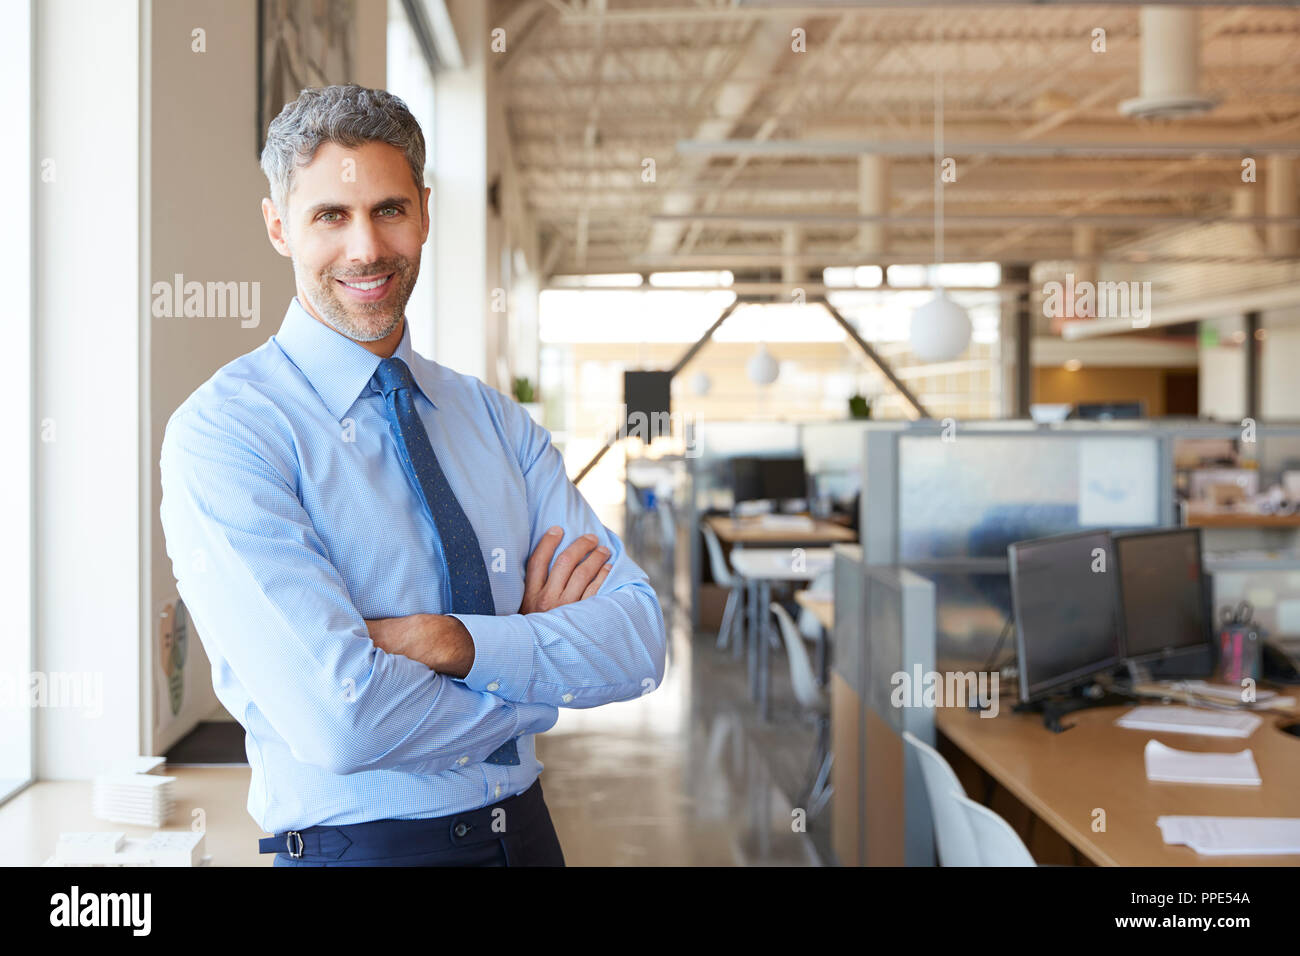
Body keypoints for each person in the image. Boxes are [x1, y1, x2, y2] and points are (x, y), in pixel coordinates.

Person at [159, 84, 667, 866]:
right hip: (361, 852)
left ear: (424, 214)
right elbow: (343, 721)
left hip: (528, 839)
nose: (366, 248)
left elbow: (637, 640)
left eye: (389, 210)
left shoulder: (495, 423)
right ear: (278, 229)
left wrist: (452, 642)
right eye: (330, 215)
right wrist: (532, 663)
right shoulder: (228, 433)